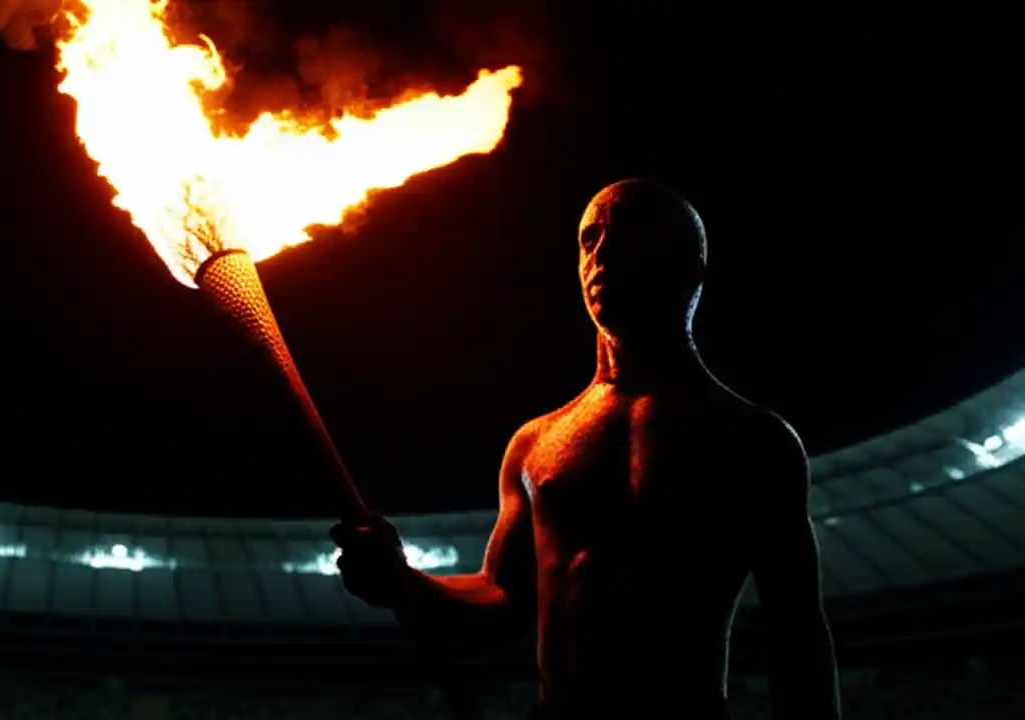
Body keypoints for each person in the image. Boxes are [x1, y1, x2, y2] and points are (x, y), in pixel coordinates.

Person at [330, 179, 841, 718]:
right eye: (590, 239)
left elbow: (799, 634)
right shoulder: (534, 445)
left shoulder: (754, 441)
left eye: (633, 234)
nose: (603, 255)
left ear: (689, 264)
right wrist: (401, 582)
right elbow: (501, 603)